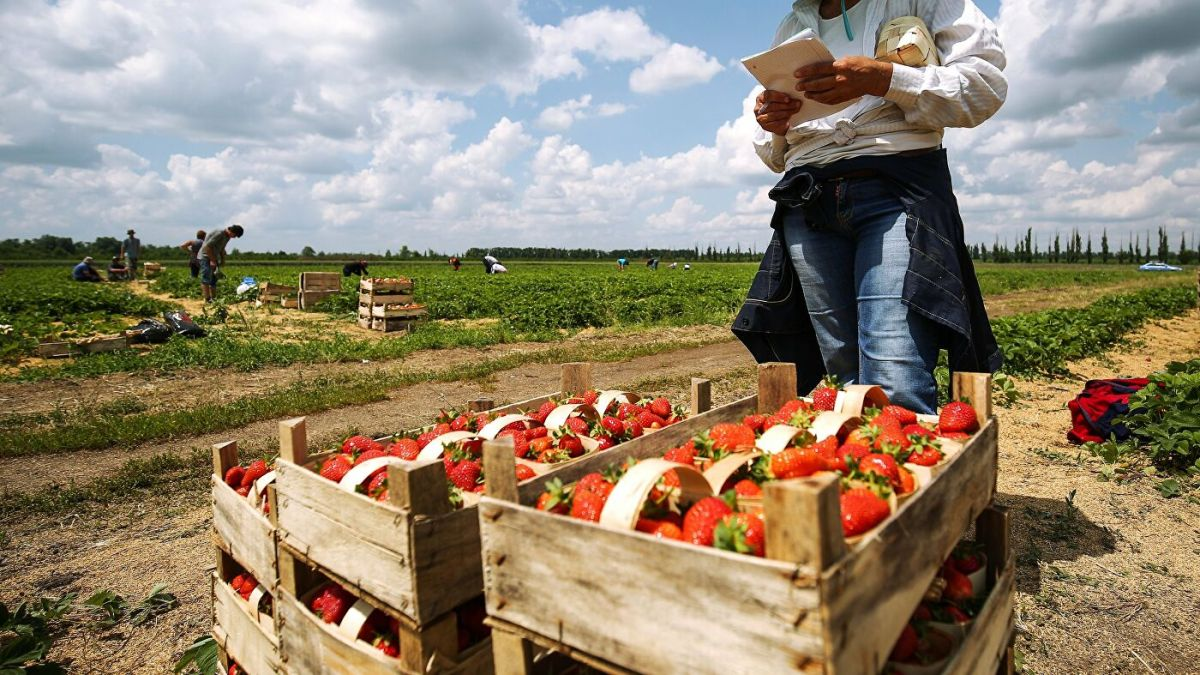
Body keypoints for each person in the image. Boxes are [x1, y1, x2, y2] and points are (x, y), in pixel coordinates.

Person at [733, 0, 1006, 413]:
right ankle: (860, 470)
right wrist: (771, 120)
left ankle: (907, 468)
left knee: (895, 371)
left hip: (895, 188)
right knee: (842, 369)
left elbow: (983, 86)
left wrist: (884, 79)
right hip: (808, 198)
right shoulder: (793, 24)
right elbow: (772, 151)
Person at [200, 224, 245, 303]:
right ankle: (207, 299)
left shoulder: (227, 237)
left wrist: (223, 259)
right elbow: (207, 247)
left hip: (214, 257)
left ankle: (214, 298)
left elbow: (222, 248)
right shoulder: (219, 234)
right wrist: (212, 260)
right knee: (206, 277)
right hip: (206, 257)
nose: (234, 237)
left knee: (214, 278)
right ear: (232, 231)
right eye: (235, 235)